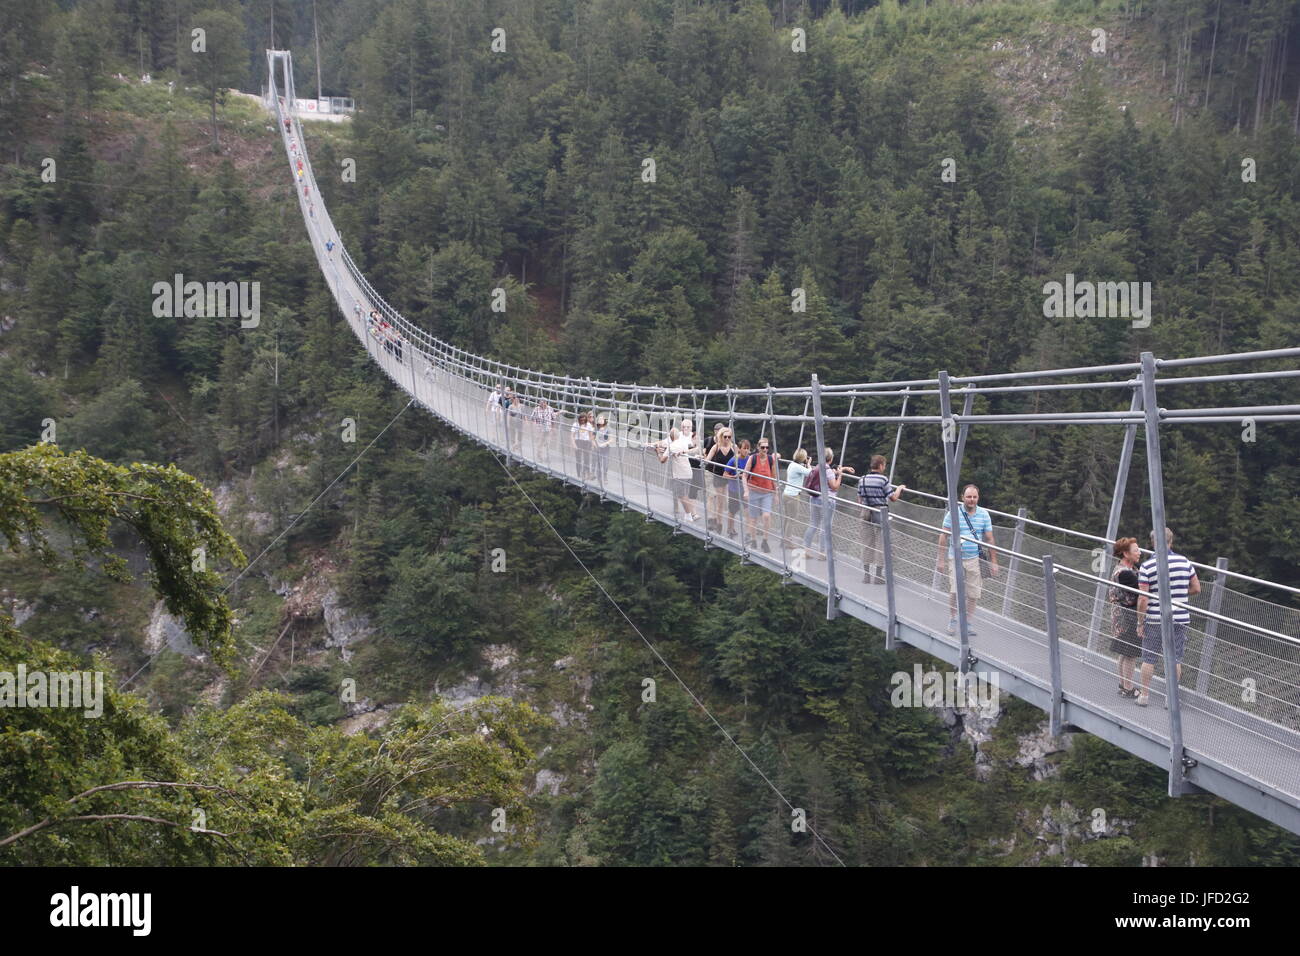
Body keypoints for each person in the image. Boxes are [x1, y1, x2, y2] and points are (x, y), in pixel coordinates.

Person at [1135, 527, 1201, 708]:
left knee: (1149, 658)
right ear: (1171, 542)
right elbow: (1196, 588)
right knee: (1174, 659)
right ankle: (1170, 699)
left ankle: (1144, 696)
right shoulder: (1184, 562)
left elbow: (1143, 598)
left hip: (1155, 618)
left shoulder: (1147, 566)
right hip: (1179, 618)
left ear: (1153, 543)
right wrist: (1177, 595)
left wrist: (1140, 622)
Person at [937, 484, 999, 636]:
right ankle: (953, 618)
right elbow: (943, 536)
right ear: (962, 498)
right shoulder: (954, 513)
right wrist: (941, 559)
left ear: (978, 498)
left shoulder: (984, 515)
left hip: (974, 558)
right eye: (969, 497)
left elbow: (990, 539)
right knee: (955, 591)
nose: (972, 500)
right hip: (955, 557)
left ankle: (968, 622)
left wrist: (994, 561)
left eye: (974, 497)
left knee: (973, 593)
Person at [857, 455, 906, 583]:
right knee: (881, 544)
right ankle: (878, 576)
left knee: (867, 544)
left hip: (865, 511)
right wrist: (899, 488)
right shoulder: (883, 479)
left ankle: (866, 575)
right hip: (880, 512)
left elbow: (859, 499)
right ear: (880, 466)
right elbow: (893, 498)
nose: (884, 467)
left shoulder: (862, 479)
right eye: (884, 465)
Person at [801, 446, 852, 558]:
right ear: (831, 458)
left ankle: (806, 550)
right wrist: (840, 476)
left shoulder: (818, 467)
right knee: (825, 527)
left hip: (814, 498)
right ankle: (822, 553)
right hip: (827, 501)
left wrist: (841, 469)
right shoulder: (828, 471)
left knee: (813, 524)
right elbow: (834, 487)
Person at [1108, 537, 1143, 699]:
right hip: (1128, 617)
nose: (1140, 552)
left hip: (1121, 616)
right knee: (1130, 654)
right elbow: (1142, 589)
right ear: (1125, 553)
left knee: (1124, 653)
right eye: (1136, 550)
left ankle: (1123, 685)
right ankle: (1128, 688)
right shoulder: (1126, 574)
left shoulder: (1123, 569)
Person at [743, 436, 778, 553]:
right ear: (758, 447)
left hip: (767, 493)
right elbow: (744, 475)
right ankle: (753, 540)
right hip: (754, 492)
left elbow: (774, 477)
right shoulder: (752, 458)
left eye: (767, 447)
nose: (765, 449)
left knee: (766, 516)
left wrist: (776, 493)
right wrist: (746, 490)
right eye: (762, 447)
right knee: (753, 519)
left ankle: (765, 541)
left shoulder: (770, 459)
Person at [657, 426, 699, 522]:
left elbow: (662, 460)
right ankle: (692, 514)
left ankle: (688, 516)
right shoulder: (683, 443)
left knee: (681, 495)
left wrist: (658, 452)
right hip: (688, 472)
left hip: (680, 474)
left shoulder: (671, 446)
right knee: (685, 494)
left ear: (671, 437)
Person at [702, 425, 736, 533]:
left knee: (723, 502)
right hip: (717, 476)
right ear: (721, 436)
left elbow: (741, 458)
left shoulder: (733, 447)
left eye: (729, 437)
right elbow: (708, 460)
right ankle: (719, 523)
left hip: (728, 477)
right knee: (720, 500)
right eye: (725, 437)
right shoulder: (716, 447)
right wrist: (702, 459)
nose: (727, 439)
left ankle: (718, 521)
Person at [783, 448, 811, 550]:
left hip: (786, 494)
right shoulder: (798, 467)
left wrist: (805, 464)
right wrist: (808, 464)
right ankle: (788, 541)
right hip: (793, 496)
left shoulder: (792, 464)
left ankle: (784, 538)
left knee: (787, 518)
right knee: (792, 519)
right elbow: (810, 473)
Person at [723, 439, 751, 538]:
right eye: (744, 448)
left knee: (748, 511)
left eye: (748, 449)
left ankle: (748, 533)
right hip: (734, 490)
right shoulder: (733, 460)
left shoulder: (750, 459)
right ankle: (730, 528)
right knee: (732, 511)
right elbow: (724, 475)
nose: (746, 451)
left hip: (745, 490)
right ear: (739, 449)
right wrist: (734, 477)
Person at [571, 411, 594, 480]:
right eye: (581, 420)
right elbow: (572, 436)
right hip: (578, 441)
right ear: (579, 419)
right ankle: (579, 474)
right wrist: (574, 444)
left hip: (586, 442)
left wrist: (592, 445)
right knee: (579, 459)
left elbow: (591, 436)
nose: (583, 421)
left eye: (584, 420)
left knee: (587, 459)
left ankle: (587, 474)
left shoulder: (588, 425)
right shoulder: (576, 424)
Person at [594, 415, 612, 487]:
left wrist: (605, 443)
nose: (601, 421)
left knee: (605, 464)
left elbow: (611, 439)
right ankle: (599, 480)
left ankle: (605, 476)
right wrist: (596, 445)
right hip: (598, 449)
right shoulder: (596, 429)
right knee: (598, 465)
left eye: (602, 419)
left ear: (604, 421)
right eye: (599, 419)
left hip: (606, 449)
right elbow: (592, 438)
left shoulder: (608, 429)